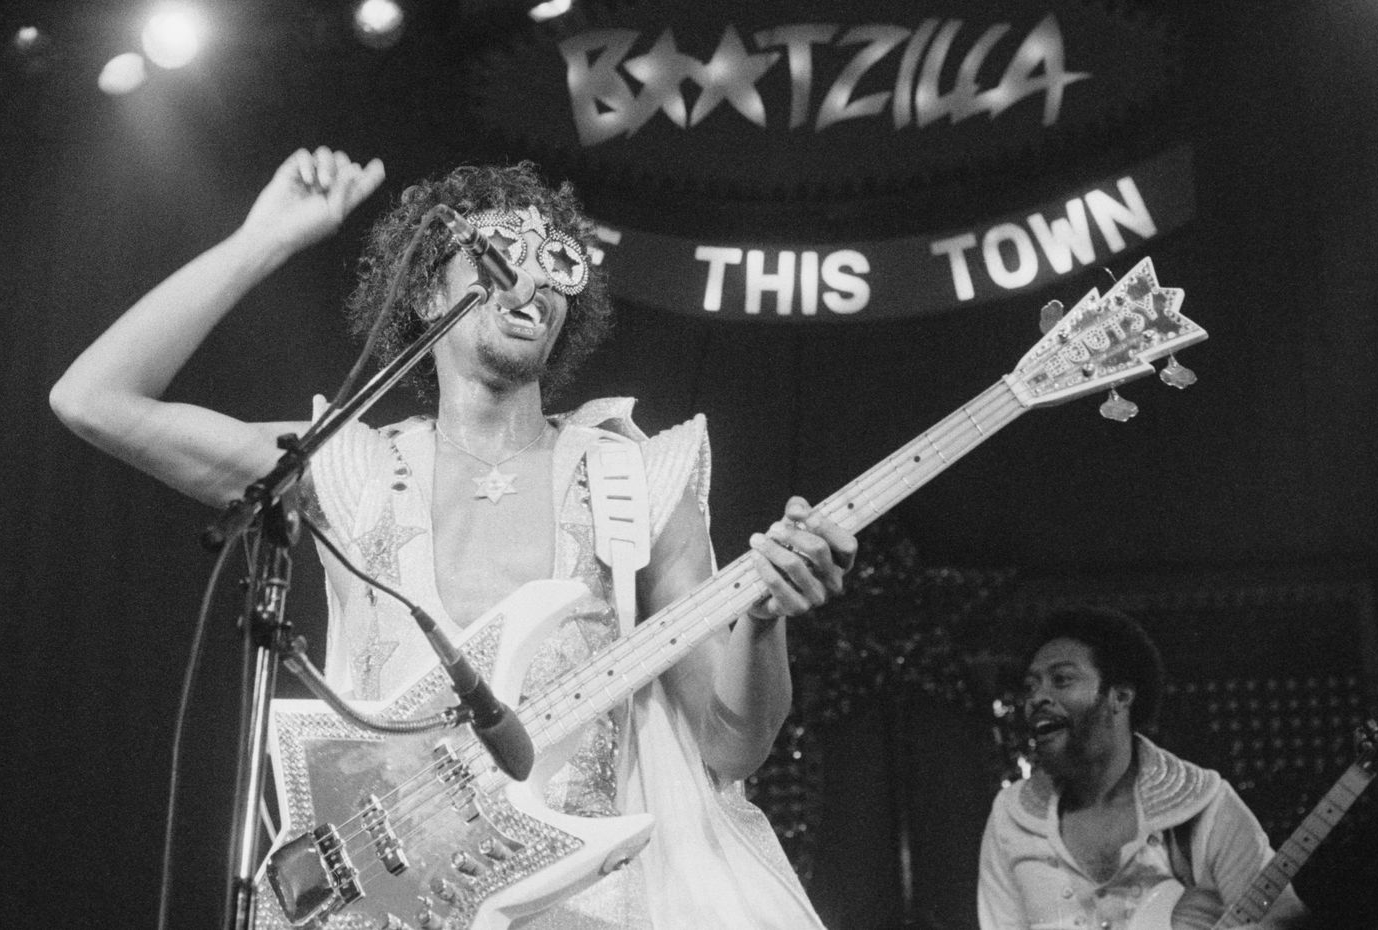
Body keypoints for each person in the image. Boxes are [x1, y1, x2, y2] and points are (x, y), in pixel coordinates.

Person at [49, 147, 856, 929]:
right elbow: (95, 400)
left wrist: (764, 618)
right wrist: (264, 241)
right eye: (504, 252)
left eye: (559, 262)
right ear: (430, 291)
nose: (534, 277)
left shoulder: (635, 478)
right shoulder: (352, 469)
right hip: (394, 907)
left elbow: (731, 744)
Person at [978, 607, 1308, 930]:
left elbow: (1281, 918)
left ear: (1120, 696)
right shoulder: (1011, 818)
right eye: (1031, 687)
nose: (1037, 698)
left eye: (1061, 679)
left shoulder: (1204, 805)